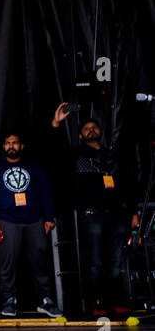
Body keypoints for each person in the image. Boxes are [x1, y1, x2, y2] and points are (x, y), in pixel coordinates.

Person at [51, 104, 140, 316]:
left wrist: (134, 212)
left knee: (116, 261)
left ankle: (115, 301)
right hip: (91, 214)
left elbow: (128, 185)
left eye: (94, 127)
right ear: (80, 136)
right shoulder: (76, 155)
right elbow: (55, 150)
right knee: (96, 261)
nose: (91, 130)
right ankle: (97, 302)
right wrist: (56, 123)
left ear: (101, 132)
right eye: (86, 128)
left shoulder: (113, 156)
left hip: (118, 215)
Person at [0, 132, 61, 317]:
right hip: (7, 220)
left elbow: (45, 193)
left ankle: (45, 300)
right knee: (7, 263)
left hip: (34, 219)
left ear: (22, 146)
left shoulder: (34, 167)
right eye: (8, 143)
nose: (11, 146)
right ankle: (10, 300)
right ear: (3, 147)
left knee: (40, 261)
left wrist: (49, 217)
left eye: (15, 143)